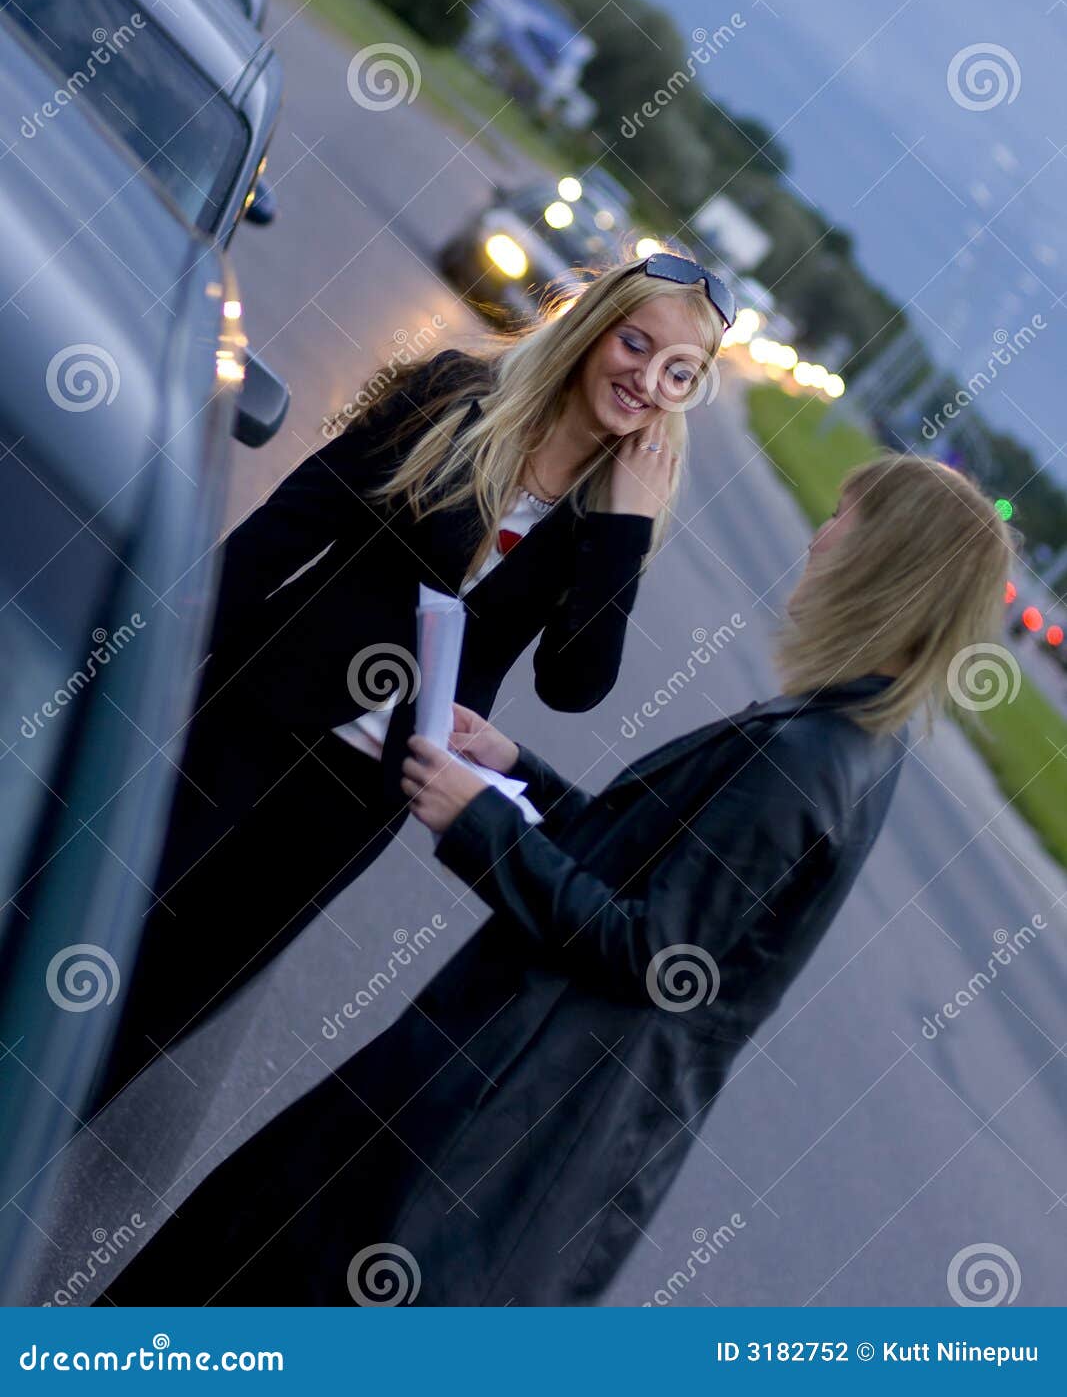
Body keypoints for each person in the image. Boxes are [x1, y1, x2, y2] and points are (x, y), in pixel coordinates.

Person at [101, 452, 1013, 1306]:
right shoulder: (848, 741)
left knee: (236, 1279)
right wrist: (514, 769)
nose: (819, 537)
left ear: (888, 565)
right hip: (506, 1109)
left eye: (844, 522)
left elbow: (650, 949)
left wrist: (480, 819)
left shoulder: (805, 762)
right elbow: (648, 863)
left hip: (493, 1123)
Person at [96, 254, 733, 1106]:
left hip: (359, 793)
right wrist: (154, 647)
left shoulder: (613, 512)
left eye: (677, 370)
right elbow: (289, 524)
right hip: (254, 706)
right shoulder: (456, 393)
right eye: (633, 342)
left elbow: (572, 684)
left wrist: (623, 529)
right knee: (86, 910)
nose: (646, 377)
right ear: (593, 327)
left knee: (176, 990)